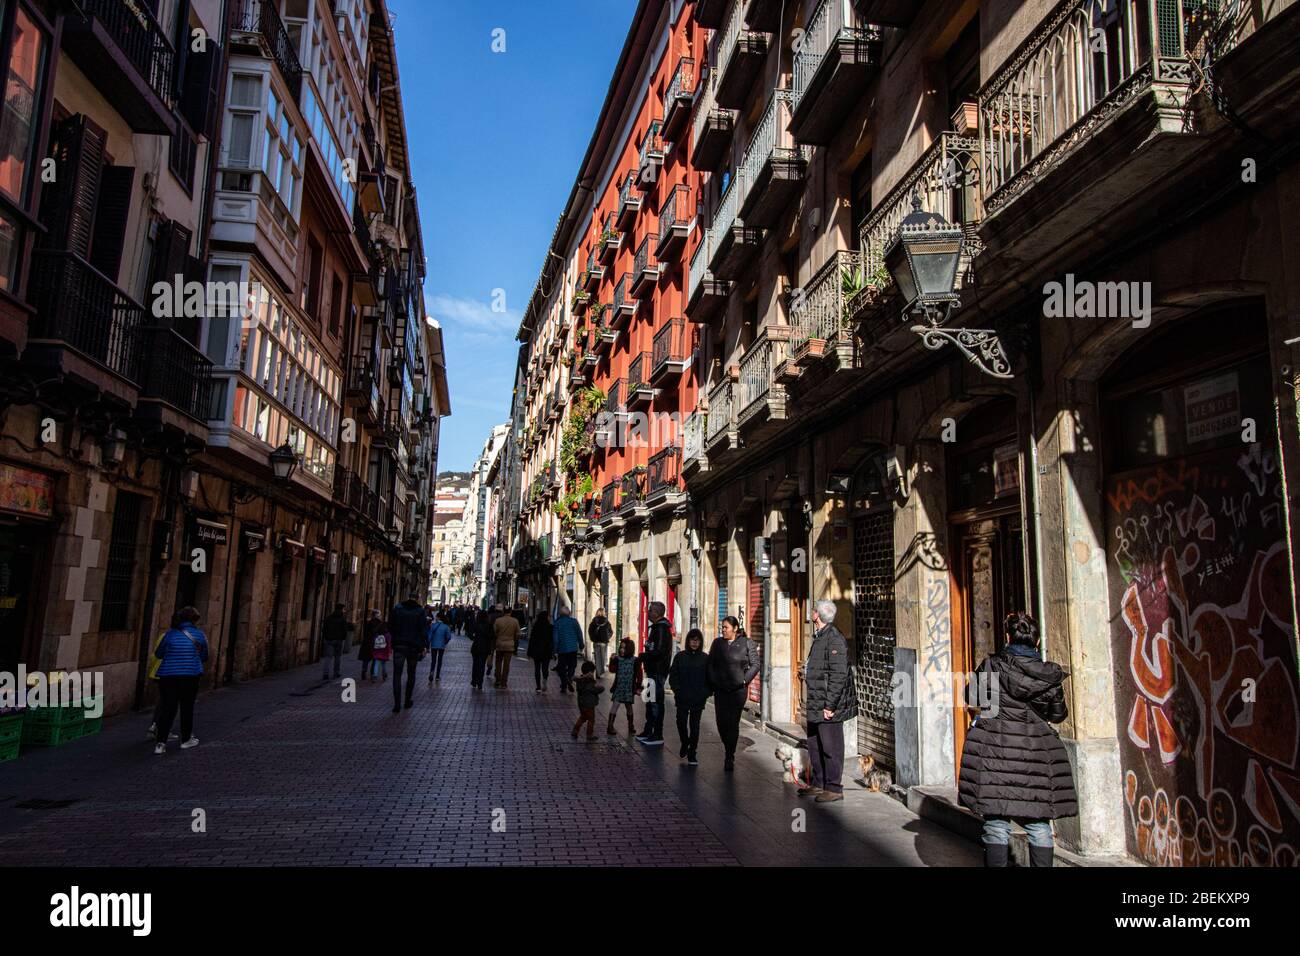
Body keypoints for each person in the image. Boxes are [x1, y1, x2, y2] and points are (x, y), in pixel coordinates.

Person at [959, 612, 1078, 867]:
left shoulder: (992, 667)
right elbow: (1057, 715)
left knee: (996, 825)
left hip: (995, 754)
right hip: (1036, 754)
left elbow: (971, 697)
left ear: (1008, 637)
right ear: (1036, 642)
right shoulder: (1048, 675)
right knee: (1039, 826)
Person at [800, 600, 858, 802]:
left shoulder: (834, 638)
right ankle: (818, 783)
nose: (811, 613)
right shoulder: (820, 636)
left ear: (817, 615)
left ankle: (834, 787)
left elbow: (838, 675)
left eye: (812, 610)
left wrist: (830, 705)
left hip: (826, 703)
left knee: (831, 746)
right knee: (815, 743)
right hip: (816, 700)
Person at [706, 615, 759, 771]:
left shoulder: (746, 643)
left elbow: (756, 664)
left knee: (733, 722)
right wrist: (712, 680)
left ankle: (730, 755)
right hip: (721, 689)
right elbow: (710, 663)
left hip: (738, 691)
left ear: (735, 629)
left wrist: (744, 680)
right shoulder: (717, 644)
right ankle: (728, 746)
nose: (723, 630)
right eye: (722, 627)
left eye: (726, 627)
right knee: (721, 723)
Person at [153, 606, 208, 754]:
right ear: (195, 620)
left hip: (168, 676)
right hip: (190, 676)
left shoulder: (170, 635)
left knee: (167, 709)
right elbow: (204, 656)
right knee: (187, 708)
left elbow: (159, 654)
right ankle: (185, 740)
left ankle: (160, 743)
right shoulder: (199, 635)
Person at [668, 628, 710, 766]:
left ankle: (692, 751)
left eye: (697, 640)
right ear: (688, 641)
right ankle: (685, 742)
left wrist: (706, 693)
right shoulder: (680, 657)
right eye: (692, 640)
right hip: (682, 696)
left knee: (695, 725)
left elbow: (709, 678)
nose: (694, 643)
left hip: (698, 697)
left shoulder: (705, 658)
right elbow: (673, 674)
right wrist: (677, 690)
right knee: (681, 722)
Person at [635, 601, 673, 746]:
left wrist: (644, 656)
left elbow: (659, 652)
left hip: (657, 671)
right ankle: (648, 730)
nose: (648, 612)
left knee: (656, 702)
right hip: (651, 670)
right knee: (649, 702)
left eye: (650, 610)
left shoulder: (661, 629)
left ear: (657, 613)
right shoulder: (656, 628)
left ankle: (657, 733)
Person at [388, 597, 428, 712]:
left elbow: (391, 626)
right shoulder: (420, 611)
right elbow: (423, 630)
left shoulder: (397, 609)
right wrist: (425, 645)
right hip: (413, 647)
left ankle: (397, 704)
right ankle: (407, 700)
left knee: (397, 675)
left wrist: (396, 638)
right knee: (411, 674)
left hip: (399, 645)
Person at [607, 638, 640, 736]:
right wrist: (611, 660)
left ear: (629, 649)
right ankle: (610, 726)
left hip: (629, 688)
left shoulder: (635, 660)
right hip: (619, 687)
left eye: (624, 648)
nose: (621, 650)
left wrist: (638, 687)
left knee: (629, 707)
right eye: (621, 648)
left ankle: (631, 725)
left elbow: (639, 674)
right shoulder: (617, 659)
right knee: (615, 705)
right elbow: (612, 670)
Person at [552, 605, 585, 693]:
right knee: (572, 665)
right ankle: (569, 678)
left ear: (560, 614)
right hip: (572, 648)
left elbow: (555, 638)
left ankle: (564, 685)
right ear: (569, 613)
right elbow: (579, 634)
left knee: (561, 667)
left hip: (562, 649)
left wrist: (555, 650)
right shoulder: (574, 622)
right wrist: (581, 645)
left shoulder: (557, 623)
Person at [571, 661, 605, 741]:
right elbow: (596, 690)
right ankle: (589, 734)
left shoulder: (580, 680)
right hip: (589, 704)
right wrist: (601, 687)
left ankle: (575, 730)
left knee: (583, 717)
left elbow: (573, 678)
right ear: (590, 672)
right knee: (591, 719)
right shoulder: (589, 682)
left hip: (581, 703)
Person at [320, 603, 352, 680]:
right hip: (339, 640)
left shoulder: (329, 618)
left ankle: (325, 673)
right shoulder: (342, 619)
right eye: (343, 609)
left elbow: (324, 628)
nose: (344, 611)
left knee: (328, 657)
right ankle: (336, 672)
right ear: (341, 609)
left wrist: (326, 637)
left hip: (329, 640)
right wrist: (343, 638)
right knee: (337, 657)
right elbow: (345, 630)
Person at [492, 605, 521, 689]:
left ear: (503, 612)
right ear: (510, 612)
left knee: (498, 663)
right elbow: (518, 633)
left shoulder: (498, 621)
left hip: (499, 644)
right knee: (506, 664)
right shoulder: (515, 621)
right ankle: (504, 682)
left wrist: (499, 636)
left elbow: (494, 631)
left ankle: (497, 679)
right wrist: (514, 640)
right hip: (509, 644)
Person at [528, 610, 554, 692]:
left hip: (537, 651)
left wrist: (529, 652)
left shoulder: (535, 627)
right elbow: (552, 640)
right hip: (546, 651)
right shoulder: (550, 627)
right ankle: (545, 681)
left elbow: (531, 640)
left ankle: (538, 686)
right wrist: (553, 650)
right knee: (545, 668)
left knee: (537, 668)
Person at [470, 606, 496, 690]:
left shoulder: (476, 624)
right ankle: (480, 683)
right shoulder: (489, 625)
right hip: (485, 647)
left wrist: (474, 638)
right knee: (482, 665)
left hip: (476, 646)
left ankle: (474, 681)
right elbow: (492, 635)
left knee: (475, 664)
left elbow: (470, 634)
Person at [427, 610, 452, 685]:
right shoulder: (446, 627)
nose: (435, 618)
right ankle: (437, 675)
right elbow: (448, 637)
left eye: (436, 617)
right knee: (440, 661)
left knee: (433, 660)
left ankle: (431, 672)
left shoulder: (433, 625)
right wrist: (445, 642)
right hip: (441, 646)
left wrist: (428, 645)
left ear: (438, 617)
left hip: (434, 645)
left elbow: (429, 637)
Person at [359, 609, 382, 681]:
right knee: (375, 659)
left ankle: (364, 671)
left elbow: (365, 633)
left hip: (367, 643)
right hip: (376, 643)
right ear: (378, 615)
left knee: (366, 659)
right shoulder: (380, 624)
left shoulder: (368, 623)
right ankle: (373, 674)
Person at [588, 607, 613, 677]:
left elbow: (590, 631)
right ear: (603, 613)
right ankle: (601, 672)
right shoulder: (606, 622)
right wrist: (607, 637)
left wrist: (593, 638)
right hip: (604, 642)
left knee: (597, 657)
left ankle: (598, 673)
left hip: (596, 642)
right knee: (603, 657)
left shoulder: (593, 622)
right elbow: (611, 632)